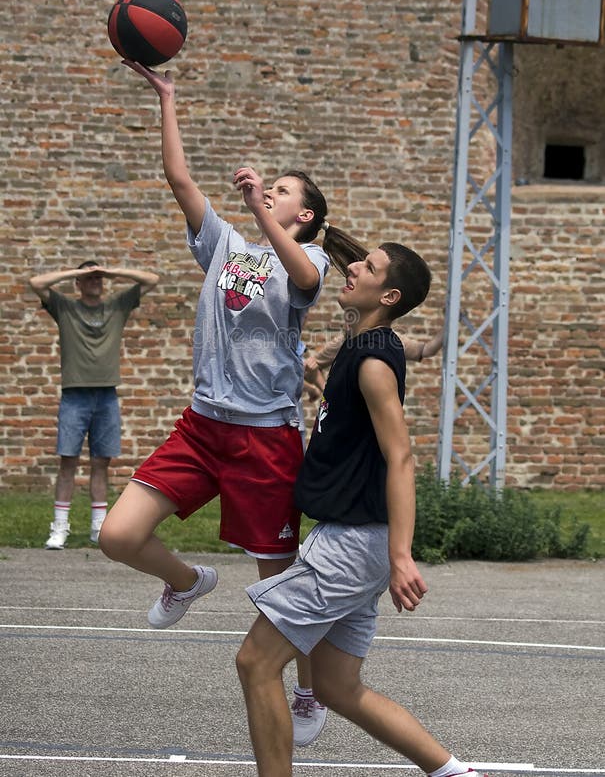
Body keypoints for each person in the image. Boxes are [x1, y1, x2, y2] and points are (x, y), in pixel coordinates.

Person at [99, 60, 367, 745]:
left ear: (302, 215)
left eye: (281, 192)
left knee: (283, 587)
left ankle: (308, 692)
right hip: (201, 427)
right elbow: (179, 181)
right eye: (267, 188)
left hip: (263, 441)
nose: (268, 193)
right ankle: (186, 581)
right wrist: (167, 99)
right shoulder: (225, 247)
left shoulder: (307, 265)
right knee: (117, 535)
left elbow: (303, 274)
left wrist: (256, 210)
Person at [236, 243, 483, 777]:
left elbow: (401, 457)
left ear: (388, 295)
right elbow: (350, 265)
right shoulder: (364, 338)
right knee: (335, 686)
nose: (353, 269)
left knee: (256, 663)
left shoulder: (372, 362)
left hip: (353, 544)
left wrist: (401, 555)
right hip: (357, 542)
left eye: (367, 269)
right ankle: (455, 774)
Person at [29, 261, 160, 549]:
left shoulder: (117, 305)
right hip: (74, 396)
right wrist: (77, 273)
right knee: (68, 462)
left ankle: (98, 527)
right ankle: (59, 528)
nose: (95, 282)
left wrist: (112, 272)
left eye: (98, 279)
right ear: (79, 283)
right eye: (90, 279)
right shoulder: (65, 307)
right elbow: (36, 283)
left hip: (107, 397)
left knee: (101, 463)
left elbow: (152, 278)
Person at [303, 322, 444, 399]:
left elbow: (426, 350)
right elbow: (310, 366)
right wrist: (320, 386)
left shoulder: (390, 339)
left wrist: (450, 323)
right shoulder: (343, 341)